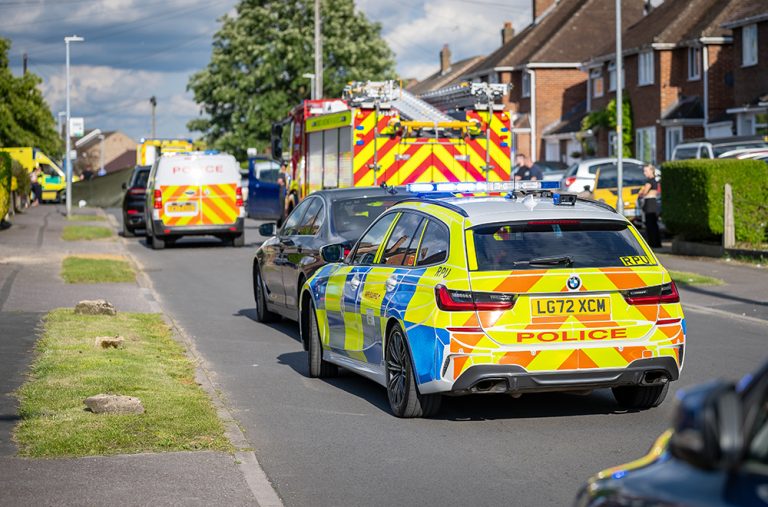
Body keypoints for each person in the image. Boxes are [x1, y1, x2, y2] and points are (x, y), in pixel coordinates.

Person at [638, 164, 661, 248]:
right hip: (653, 202)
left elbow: (643, 192)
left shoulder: (649, 181)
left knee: (650, 224)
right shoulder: (654, 180)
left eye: (646, 171)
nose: (644, 173)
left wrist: (641, 192)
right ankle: (656, 243)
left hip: (649, 203)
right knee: (654, 224)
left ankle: (652, 243)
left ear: (651, 171)